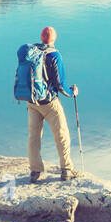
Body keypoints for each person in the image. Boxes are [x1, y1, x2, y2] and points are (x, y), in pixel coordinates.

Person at [26, 26, 78, 182]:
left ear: (41, 37)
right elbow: (60, 84)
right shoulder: (54, 55)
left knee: (34, 137)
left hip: (32, 102)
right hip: (49, 103)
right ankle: (66, 170)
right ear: (54, 39)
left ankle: (35, 172)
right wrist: (71, 93)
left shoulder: (32, 52)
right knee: (61, 135)